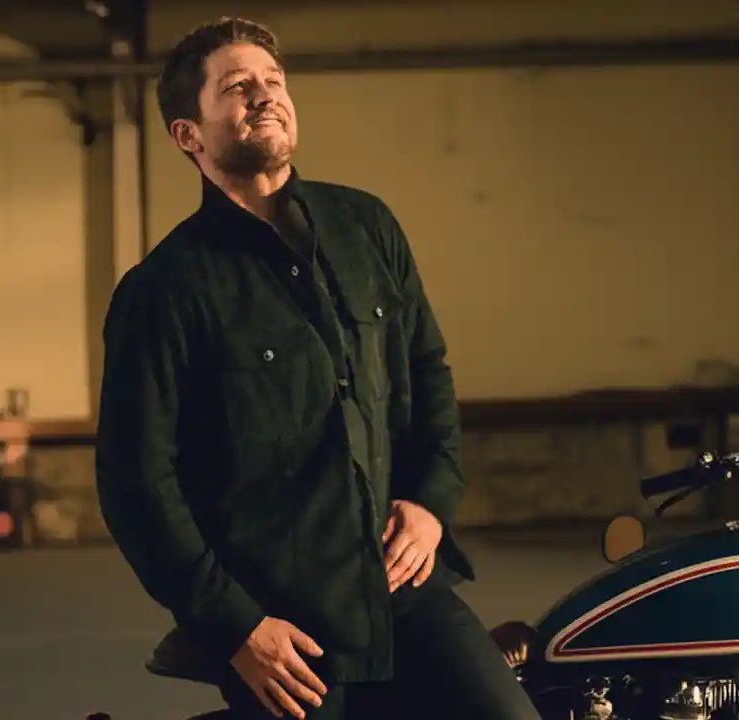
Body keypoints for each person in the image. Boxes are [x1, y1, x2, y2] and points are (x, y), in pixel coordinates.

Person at [95, 16, 539, 720]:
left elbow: (429, 373)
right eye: (237, 87)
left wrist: (431, 504)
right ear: (189, 134)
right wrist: (235, 625)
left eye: (274, 81)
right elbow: (137, 484)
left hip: (402, 590)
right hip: (282, 626)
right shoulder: (165, 290)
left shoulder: (368, 228)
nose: (264, 95)